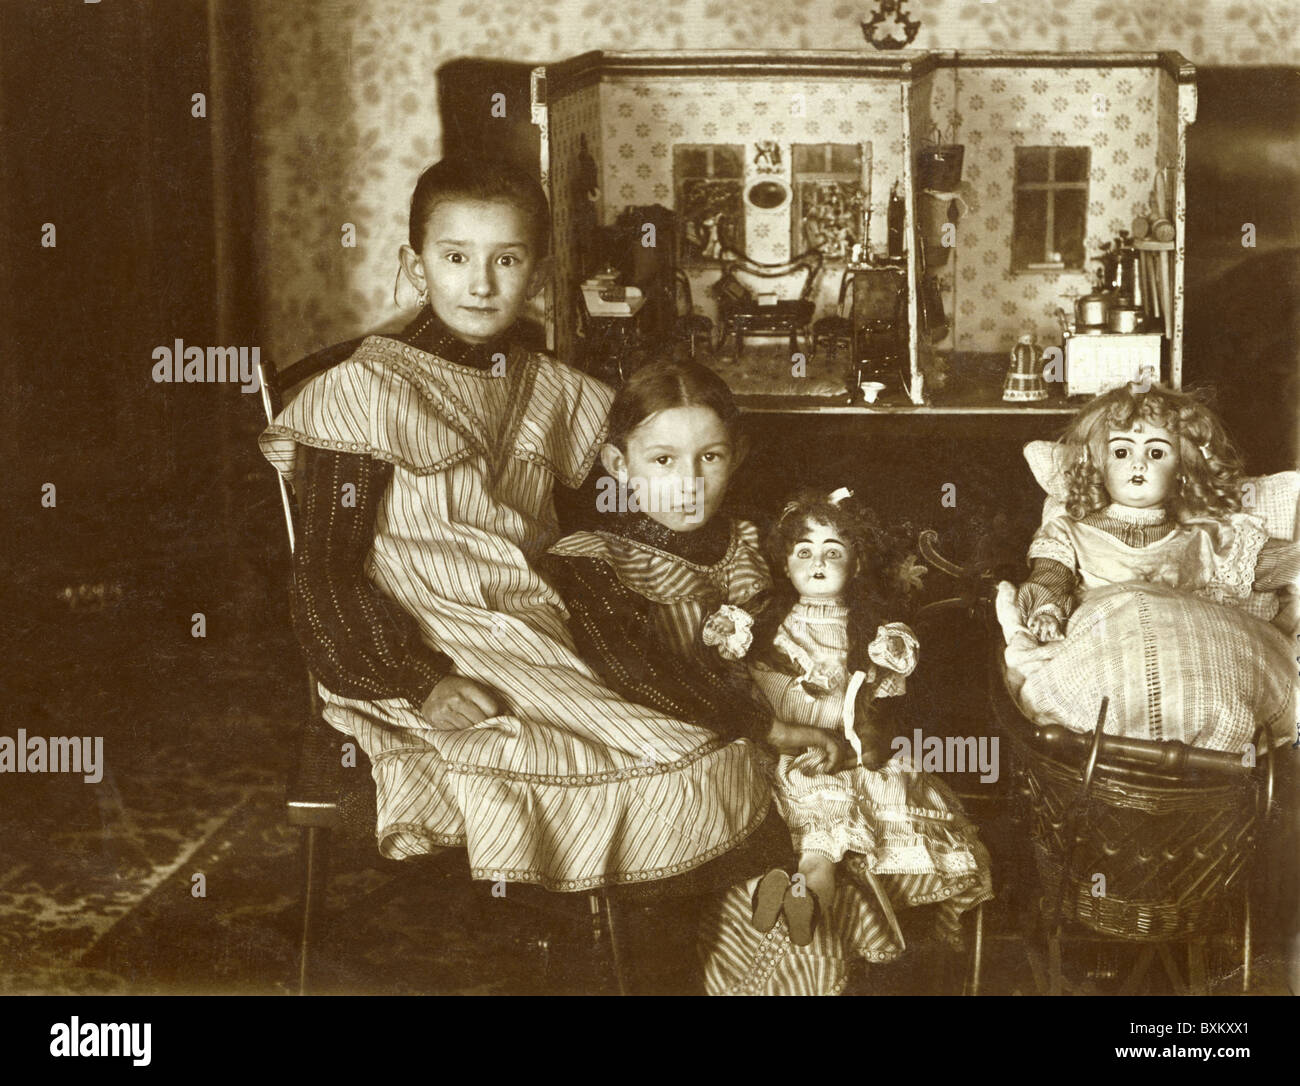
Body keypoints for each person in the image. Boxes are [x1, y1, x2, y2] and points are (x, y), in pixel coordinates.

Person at [259, 158, 787, 894]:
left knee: (713, 733)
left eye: (505, 260)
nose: (481, 284)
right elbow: (325, 572)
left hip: (534, 621)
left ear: (537, 275)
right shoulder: (362, 393)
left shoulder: (543, 384)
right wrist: (423, 683)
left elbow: (647, 458)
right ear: (415, 267)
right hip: (425, 638)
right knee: (676, 758)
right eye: (455, 258)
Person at [544, 362, 989, 994]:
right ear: (618, 465)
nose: (690, 484)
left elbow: (811, 631)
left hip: (780, 761)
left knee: (844, 857)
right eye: (663, 460)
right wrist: (770, 727)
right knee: (778, 900)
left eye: (711, 458)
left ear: (738, 455)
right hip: (678, 777)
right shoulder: (594, 560)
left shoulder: (750, 542)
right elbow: (638, 678)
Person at [742, 489, 993, 954]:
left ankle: (803, 900)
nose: (818, 561)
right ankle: (796, 898)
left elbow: (882, 713)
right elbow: (742, 699)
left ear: (855, 565)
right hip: (785, 755)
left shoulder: (875, 635)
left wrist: (866, 745)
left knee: (835, 827)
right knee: (817, 834)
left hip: (850, 756)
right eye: (804, 551)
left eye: (833, 552)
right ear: (784, 564)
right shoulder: (760, 629)